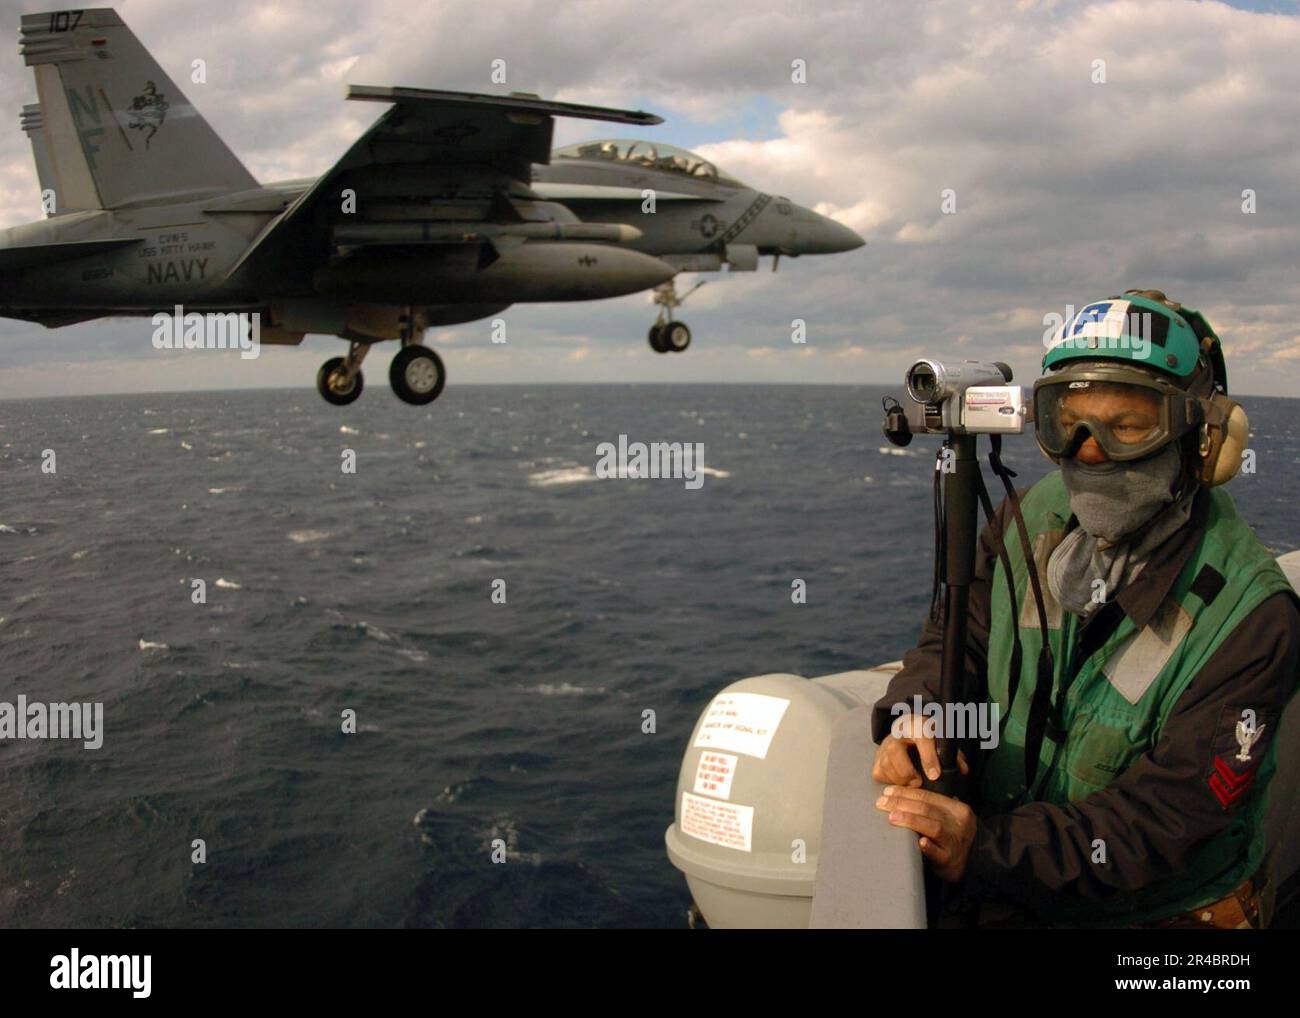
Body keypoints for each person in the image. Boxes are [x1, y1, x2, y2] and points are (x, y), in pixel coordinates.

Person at [871, 289, 1300, 928]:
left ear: (1202, 440)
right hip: (1015, 892)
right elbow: (958, 641)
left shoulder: (1251, 617)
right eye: (1068, 422)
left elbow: (1170, 815)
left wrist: (987, 851)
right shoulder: (1031, 517)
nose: (1090, 452)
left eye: (1127, 425)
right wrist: (918, 716)